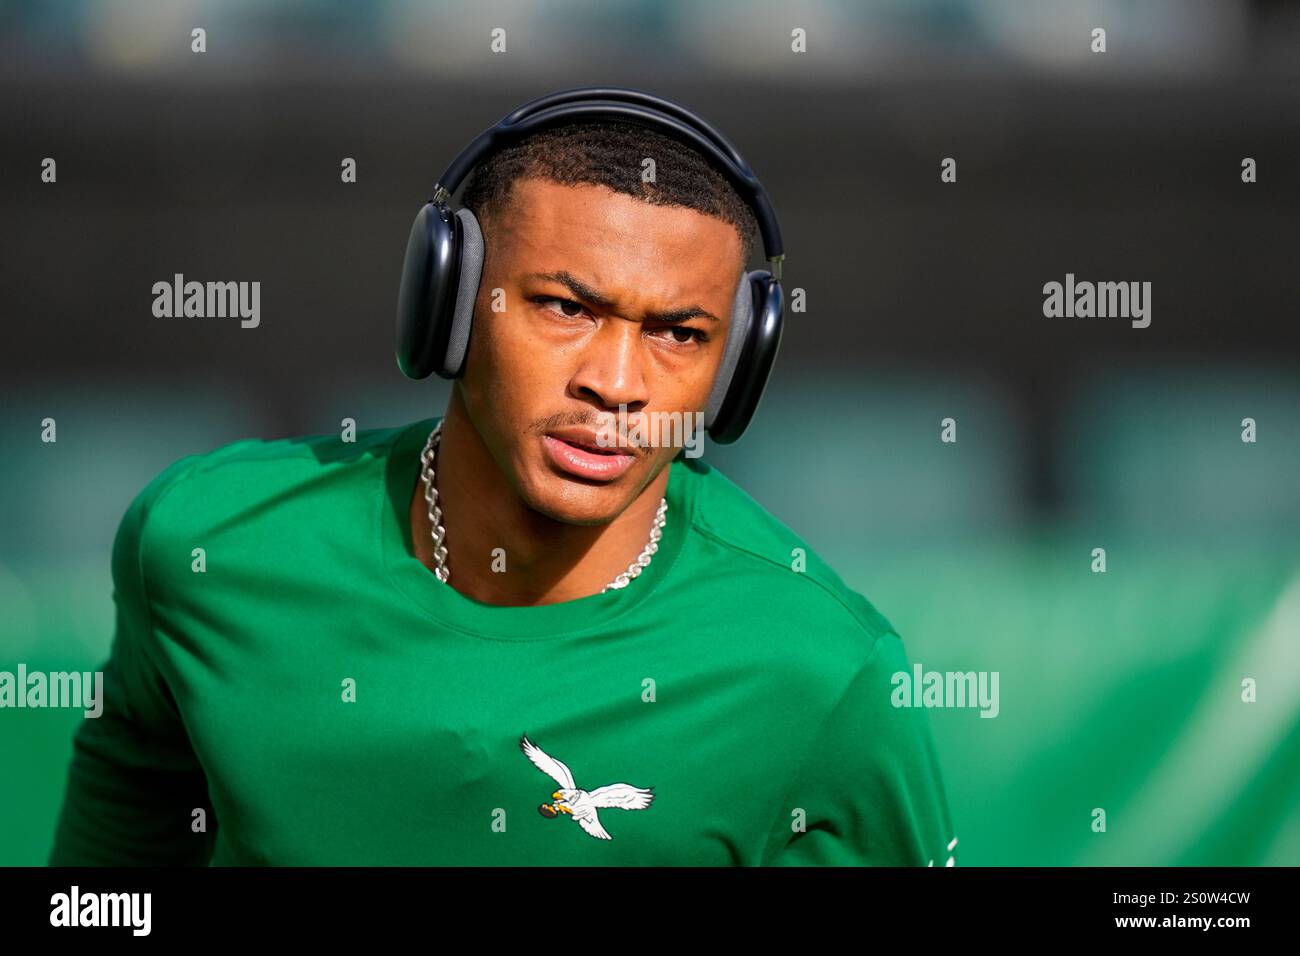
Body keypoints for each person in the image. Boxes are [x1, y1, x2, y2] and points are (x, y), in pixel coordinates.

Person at [49, 88, 957, 866]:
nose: (618, 383)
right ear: (447, 301)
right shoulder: (205, 549)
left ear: (736, 365)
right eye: (566, 307)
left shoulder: (825, 675)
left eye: (680, 333)